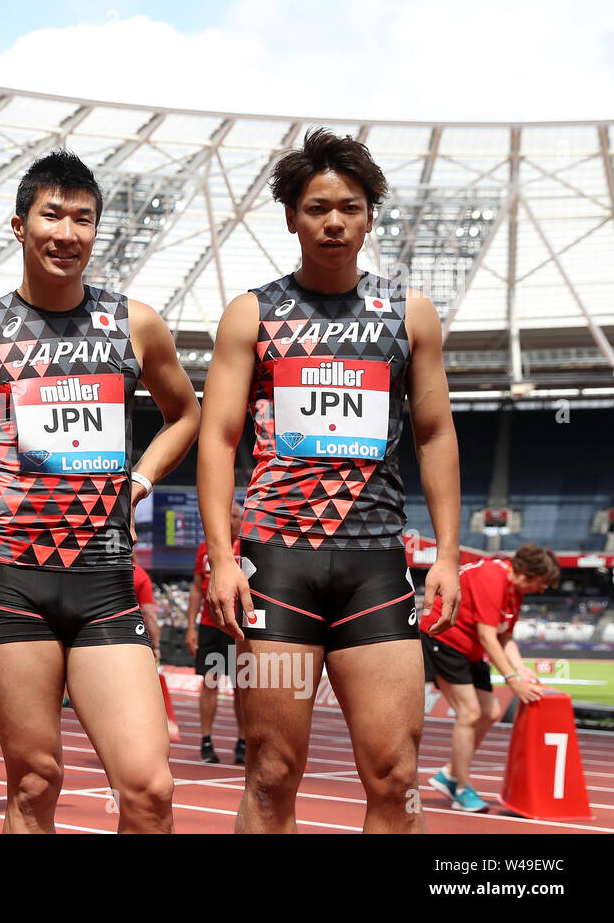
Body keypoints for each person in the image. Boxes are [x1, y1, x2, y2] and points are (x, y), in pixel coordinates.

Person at [199, 127, 462, 833]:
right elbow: (218, 438)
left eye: (349, 205)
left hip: (376, 569)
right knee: (273, 774)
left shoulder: (409, 315)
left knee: (396, 773)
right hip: (276, 568)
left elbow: (435, 432)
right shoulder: (251, 315)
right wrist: (222, 559)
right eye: (317, 207)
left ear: (371, 213)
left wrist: (447, 552)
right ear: (292, 216)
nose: (334, 221)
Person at [0, 150, 201, 834]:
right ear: (19, 226)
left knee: (148, 787)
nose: (67, 231)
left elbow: (188, 414)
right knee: (34, 782)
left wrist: (141, 479)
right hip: (13, 583)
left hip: (106, 581)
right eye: (51, 214)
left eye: (83, 218)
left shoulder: (134, 325)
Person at [423, 545, 557, 811]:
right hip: (444, 640)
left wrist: (521, 669)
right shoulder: (492, 577)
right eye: (542, 583)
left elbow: (504, 635)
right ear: (527, 573)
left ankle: (448, 774)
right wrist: (511, 680)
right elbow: (487, 636)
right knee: (469, 713)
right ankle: (461, 789)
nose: (542, 590)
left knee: (491, 710)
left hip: (470, 651)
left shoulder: (514, 591)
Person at [186, 497, 246, 764]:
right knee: (209, 683)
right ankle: (206, 742)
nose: (231, 520)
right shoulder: (205, 548)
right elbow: (196, 590)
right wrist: (190, 627)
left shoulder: (250, 550)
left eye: (235, 516)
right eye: (228, 516)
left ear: (242, 520)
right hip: (210, 625)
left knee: (241, 687)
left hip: (239, 629)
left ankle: (243, 743)